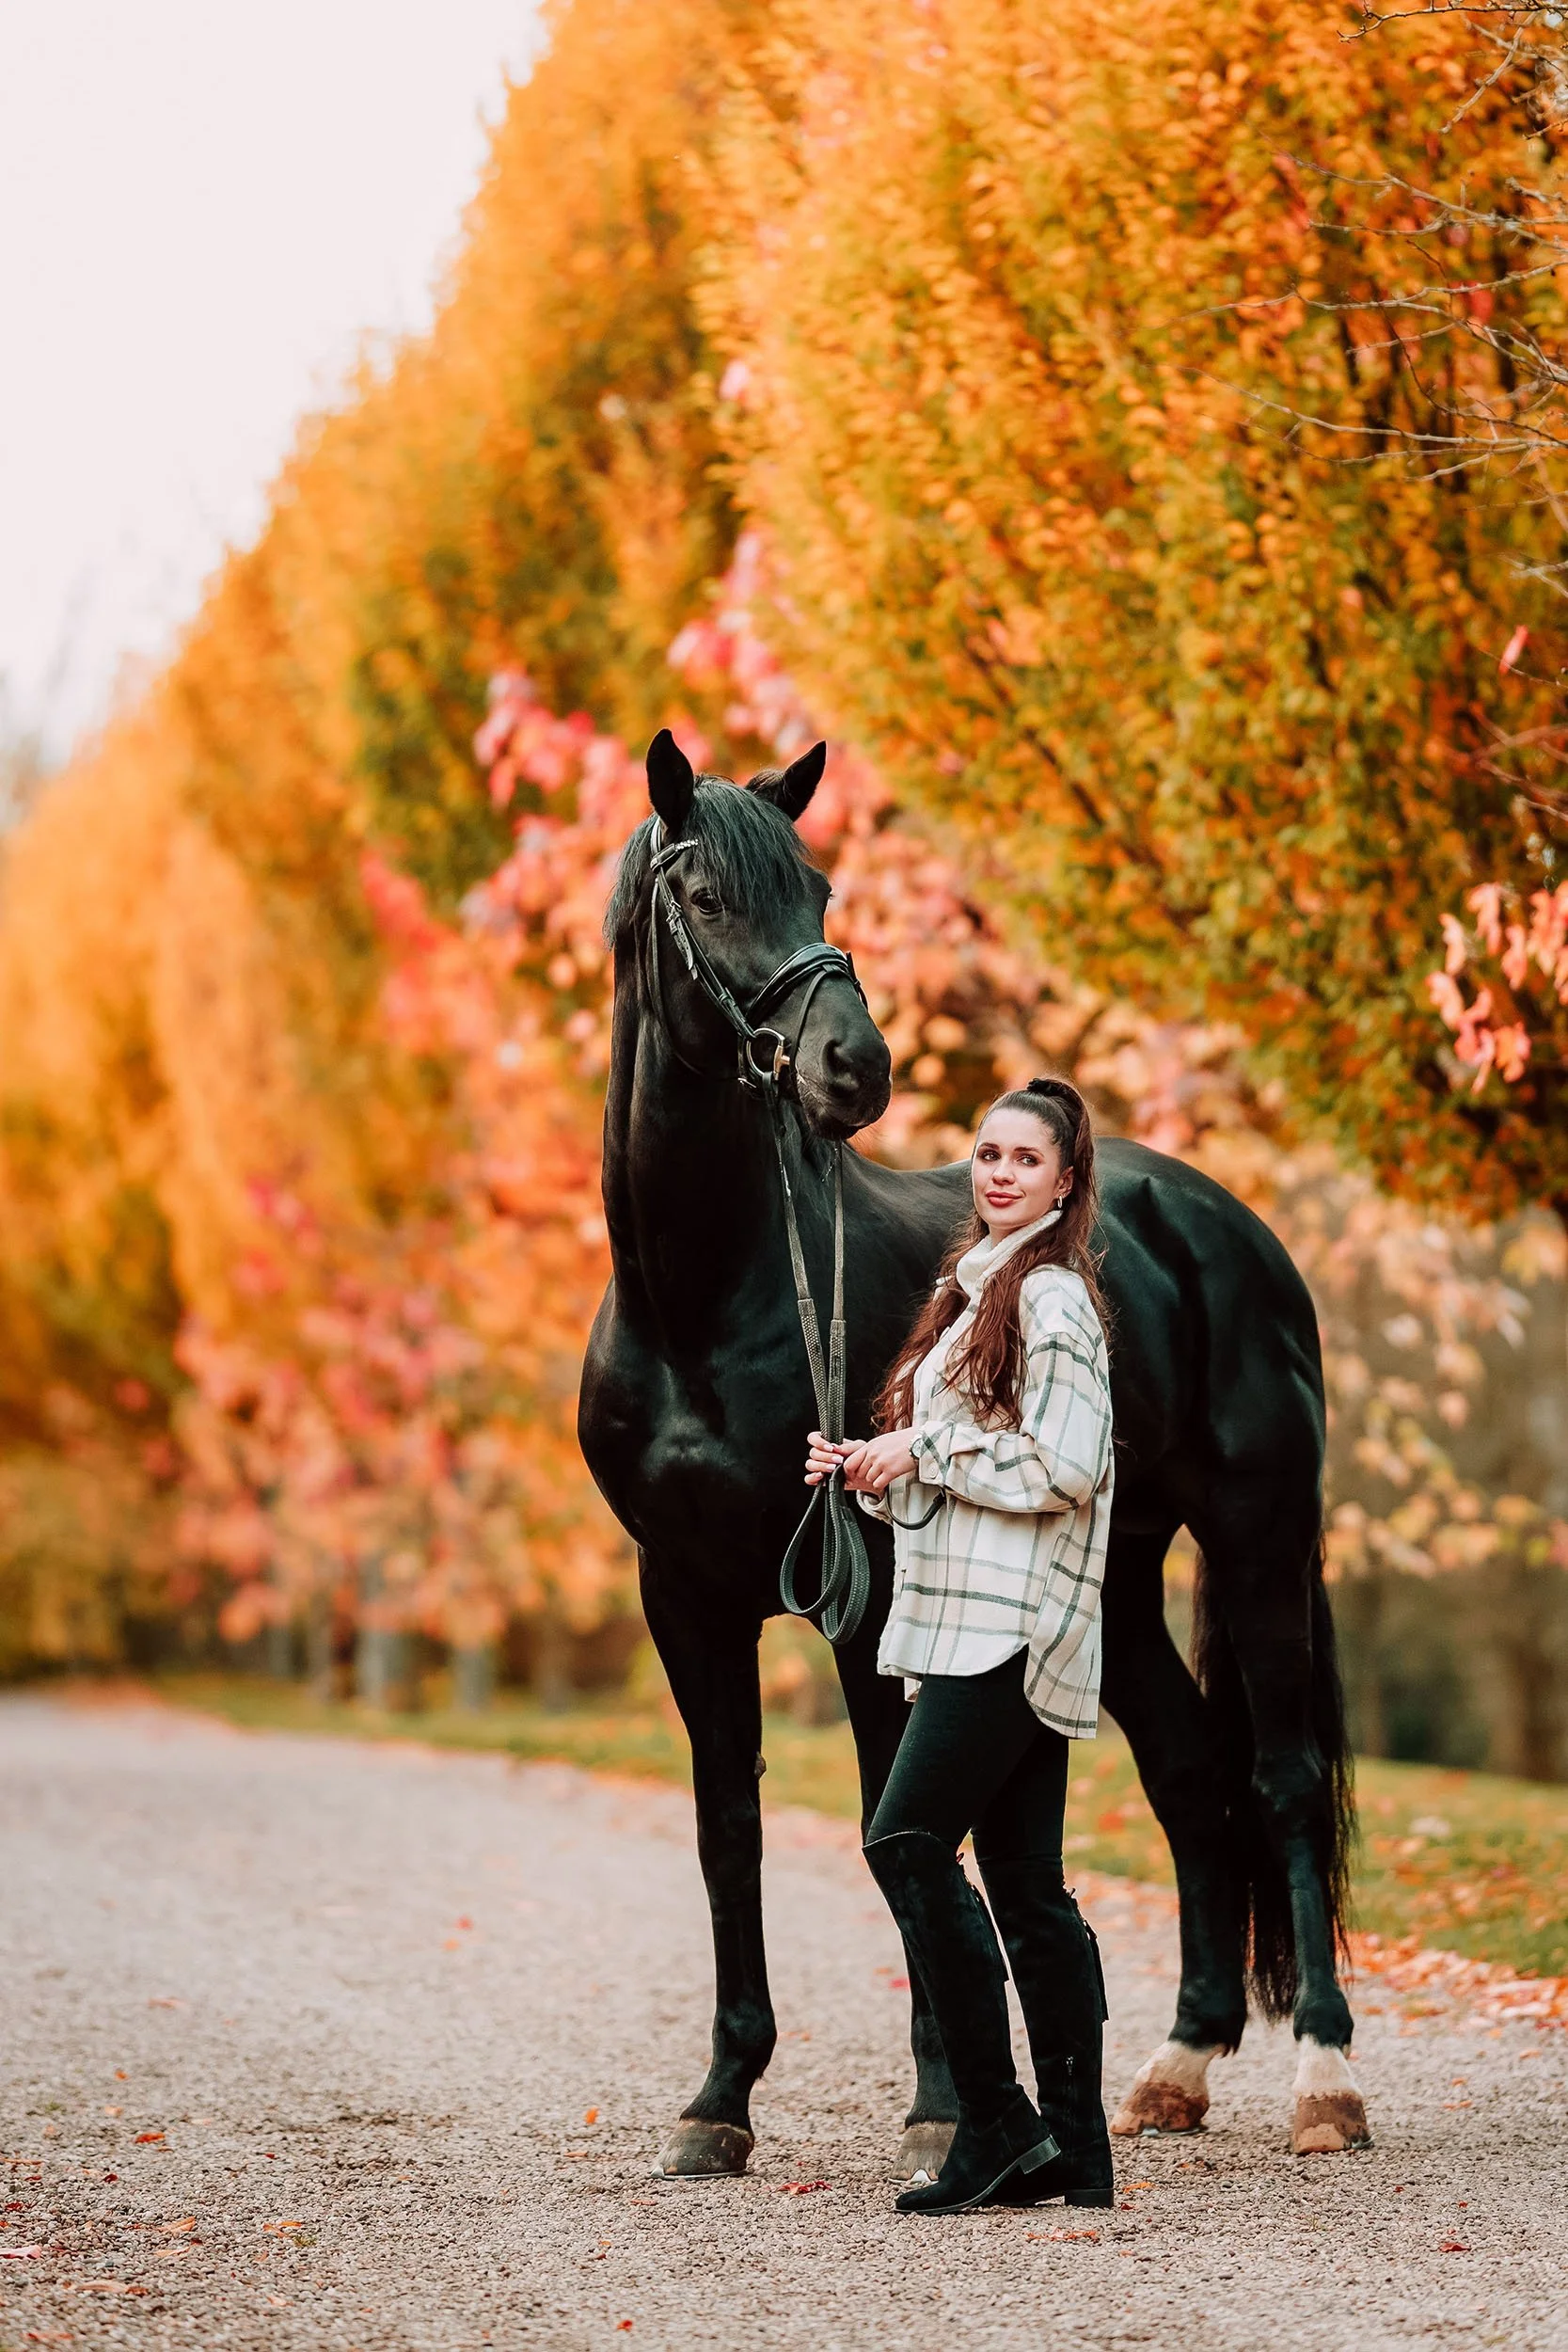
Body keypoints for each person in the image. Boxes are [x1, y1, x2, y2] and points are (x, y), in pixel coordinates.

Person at [805, 1076, 1115, 2217]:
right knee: (1025, 1884)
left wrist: (923, 1455)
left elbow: (1066, 1467)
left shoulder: (1051, 1302)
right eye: (987, 1154)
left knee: (905, 1841)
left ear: (1064, 1181)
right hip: (969, 1618)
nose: (998, 1173)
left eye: (1025, 1159)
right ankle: (1073, 2149)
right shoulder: (974, 1291)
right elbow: (974, 1461)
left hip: (1007, 1625)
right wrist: (873, 1467)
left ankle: (994, 2120)